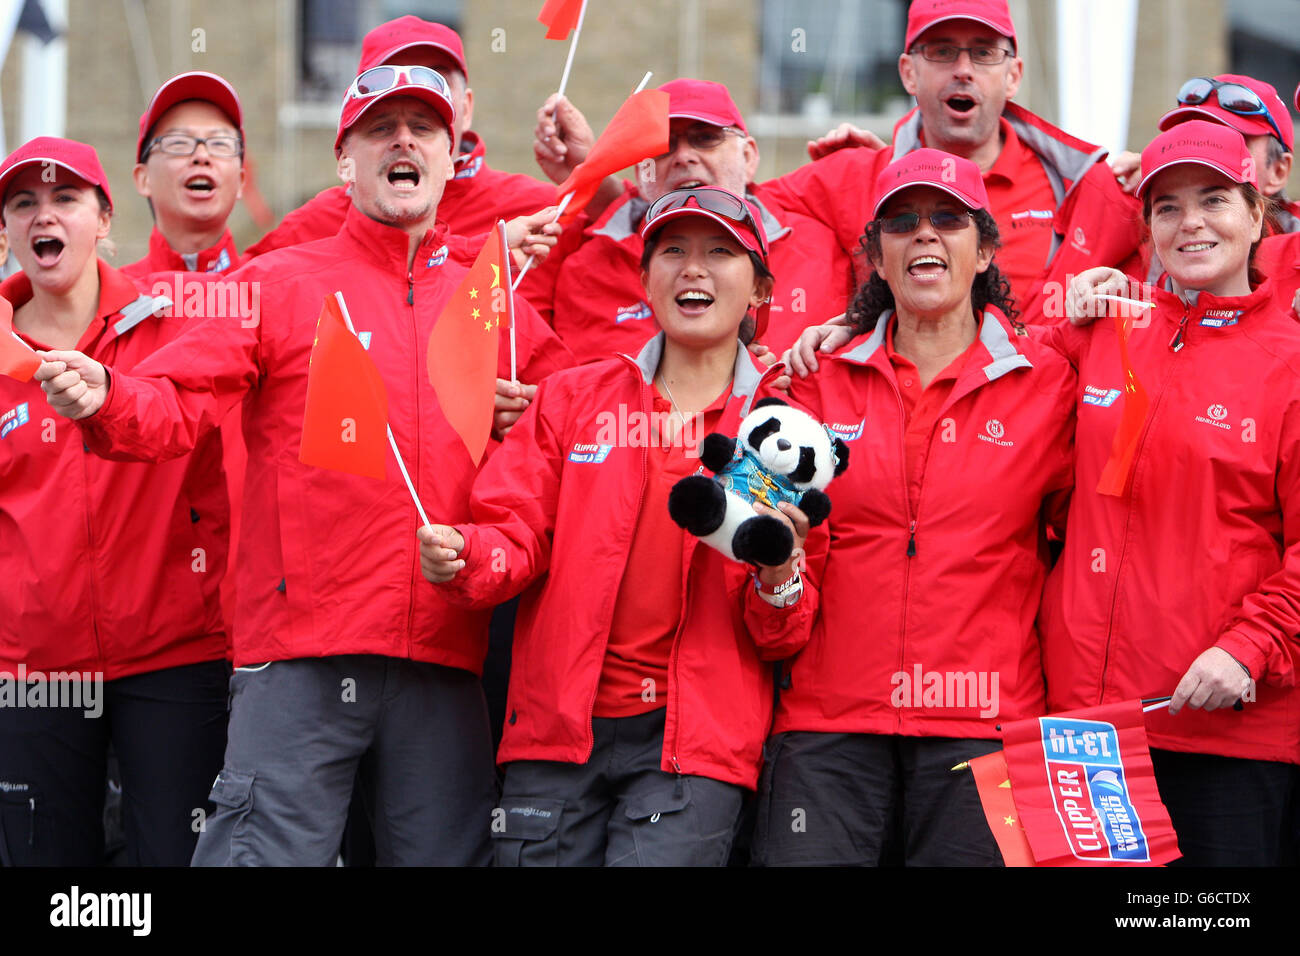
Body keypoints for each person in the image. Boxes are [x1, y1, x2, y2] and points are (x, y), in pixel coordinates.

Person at [35, 66, 574, 866]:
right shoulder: (276, 283)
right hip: (298, 661)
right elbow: (174, 403)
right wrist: (107, 393)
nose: (403, 141)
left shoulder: (494, 304)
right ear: (343, 162)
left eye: (422, 128)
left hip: (443, 659)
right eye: (379, 128)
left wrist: (488, 548)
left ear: (449, 154)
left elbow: (563, 456)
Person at [419, 186, 819, 865]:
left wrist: (780, 574)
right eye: (672, 252)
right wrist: (465, 554)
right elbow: (514, 530)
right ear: (643, 281)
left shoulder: (782, 433)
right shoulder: (576, 396)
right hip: (555, 735)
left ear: (759, 290)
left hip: (691, 752)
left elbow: (784, 629)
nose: (692, 268)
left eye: (719, 252)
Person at [750, 149, 1076, 866]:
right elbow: (762, 559)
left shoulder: (1049, 384)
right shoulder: (812, 382)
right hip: (827, 725)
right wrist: (775, 587)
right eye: (901, 222)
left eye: (948, 219)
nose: (924, 234)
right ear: (874, 255)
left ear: (986, 248)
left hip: (986, 726)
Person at [1046, 121, 1300, 866]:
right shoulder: (1104, 333)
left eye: (1213, 199)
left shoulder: (1288, 363)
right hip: (1088, 730)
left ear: (1257, 214)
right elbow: (997, 406)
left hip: (1228, 730)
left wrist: (1250, 651)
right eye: (1167, 207)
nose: (1190, 222)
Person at [0, 137, 229, 865]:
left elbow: (204, 433)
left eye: (67, 199)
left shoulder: (174, 325)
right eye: (24, 203)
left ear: (104, 219)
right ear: (4, 231)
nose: (46, 216)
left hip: (173, 659)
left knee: (177, 860)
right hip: (36, 673)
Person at [760, 0, 1142, 328]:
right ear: (909, 72)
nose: (963, 69)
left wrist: (1164, 177)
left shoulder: (1087, 185)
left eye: (983, 52)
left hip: (1041, 406)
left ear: (1013, 76)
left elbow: (1188, 250)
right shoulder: (855, 177)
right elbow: (732, 209)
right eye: (942, 52)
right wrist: (839, 328)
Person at [527, 78, 852, 359]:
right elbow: (576, 402)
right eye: (663, 147)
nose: (683, 156)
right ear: (642, 171)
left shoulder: (821, 246)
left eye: (705, 138)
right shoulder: (589, 268)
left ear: (748, 156)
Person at [245, 16, 556, 257]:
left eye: (435, 78)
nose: (412, 90)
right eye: (390, 80)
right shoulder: (314, 224)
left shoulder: (541, 212)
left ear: (467, 106)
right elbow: (223, 302)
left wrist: (598, 183)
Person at [1110, 74, 1296, 233]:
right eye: (1189, 141)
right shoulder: (1132, 223)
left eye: (1232, 142)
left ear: (1278, 171)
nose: (1203, 156)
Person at [123, 71, 246, 277]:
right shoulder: (113, 301)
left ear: (242, 181)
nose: (201, 156)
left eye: (219, 143)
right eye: (179, 143)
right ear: (143, 179)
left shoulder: (267, 294)